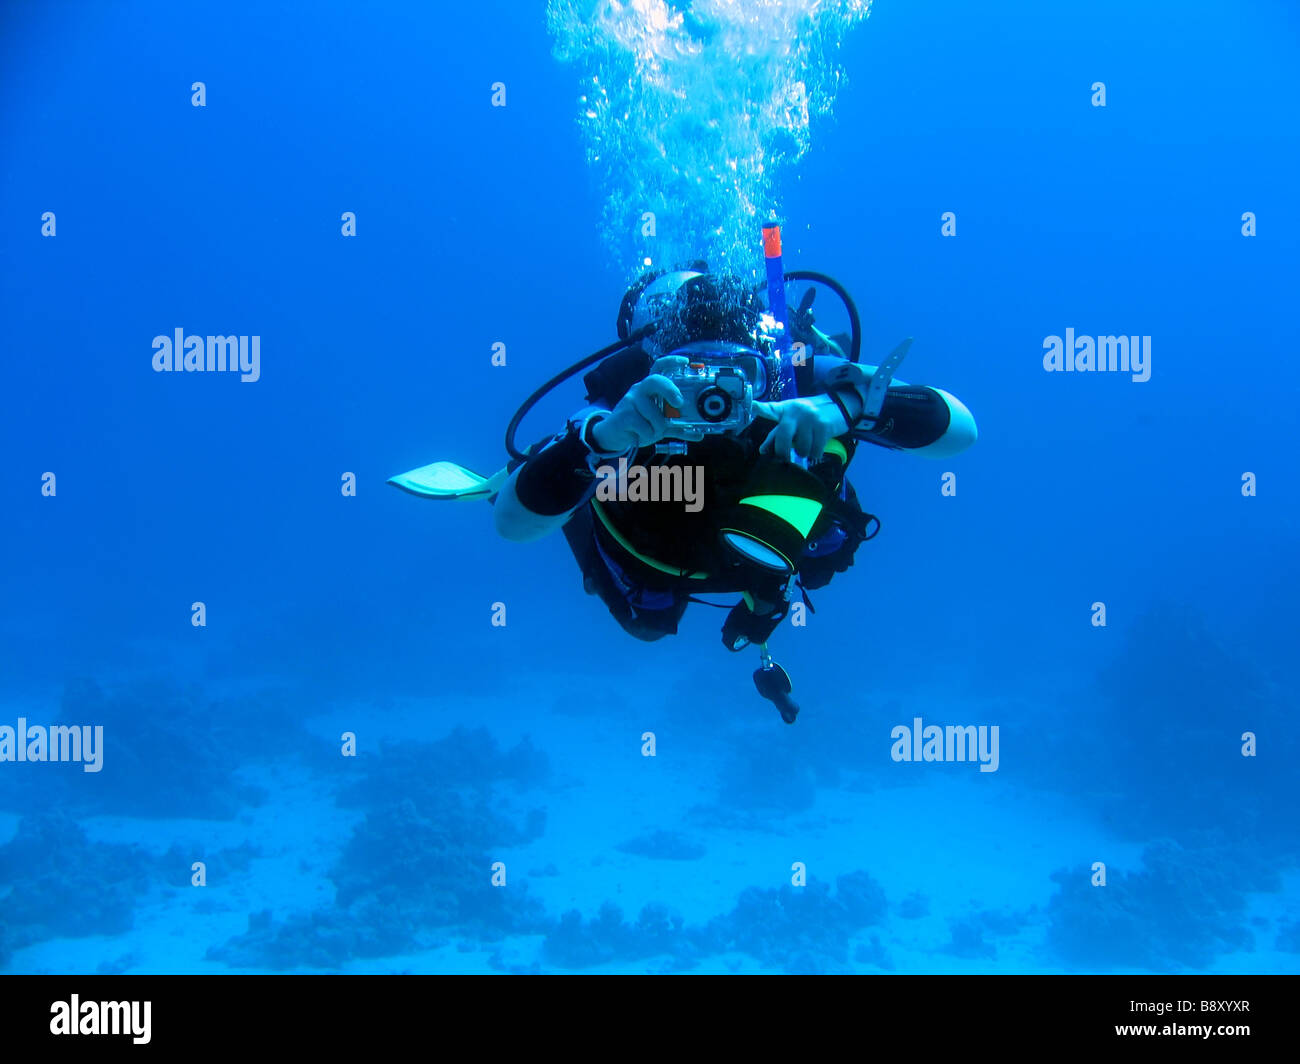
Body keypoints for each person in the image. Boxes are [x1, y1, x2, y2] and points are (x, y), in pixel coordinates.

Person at [491, 267, 977, 721]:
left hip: (773, 546)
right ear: (652, 363)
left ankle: (560, 488)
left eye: (739, 373)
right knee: (647, 624)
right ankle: (563, 497)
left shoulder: (794, 377)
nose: (714, 395)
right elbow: (511, 525)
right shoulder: (620, 405)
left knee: (826, 553)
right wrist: (602, 439)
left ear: (760, 353)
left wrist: (841, 408)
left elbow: (961, 428)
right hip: (658, 551)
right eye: (688, 373)